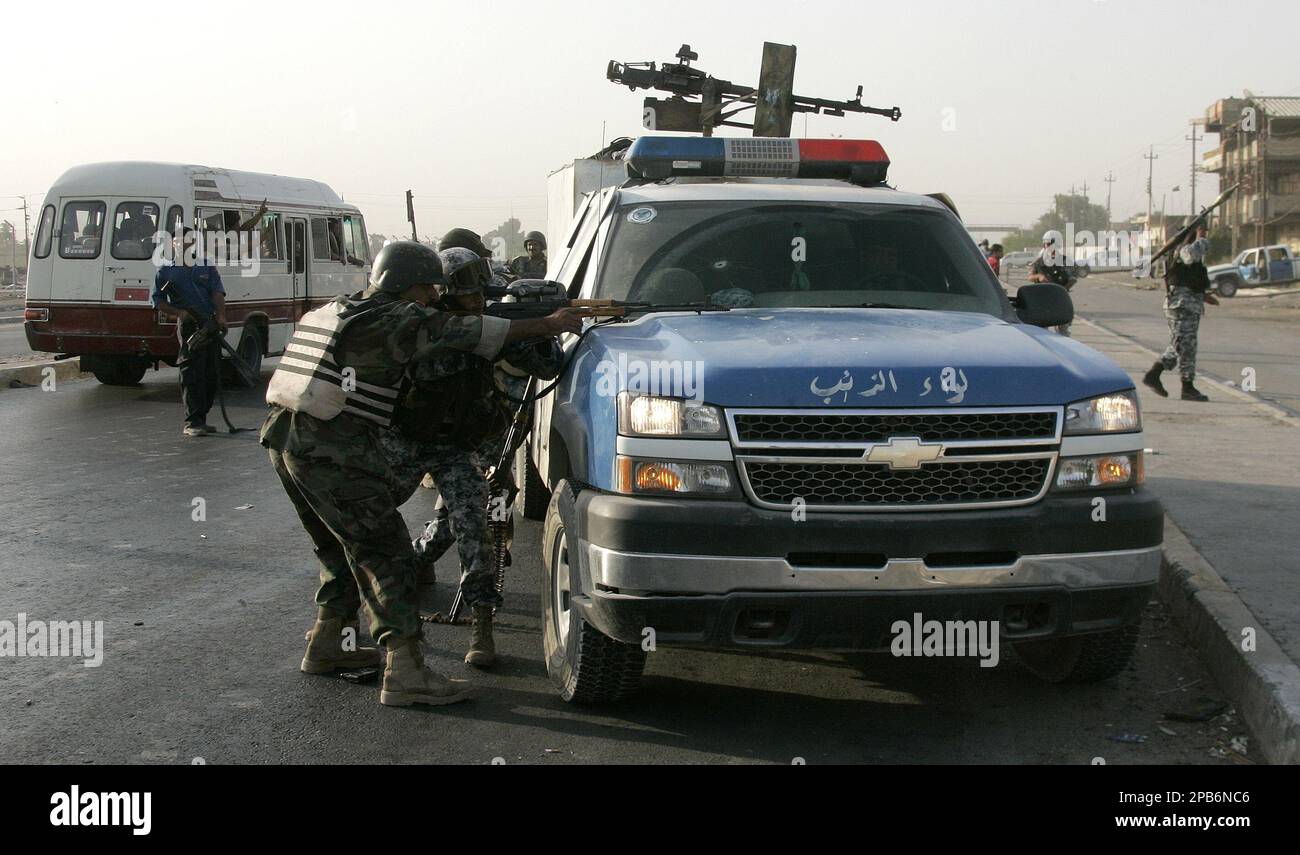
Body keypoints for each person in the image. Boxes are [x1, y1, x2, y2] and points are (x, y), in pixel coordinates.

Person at [260, 241, 582, 707]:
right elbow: (459, 331)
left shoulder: (343, 307)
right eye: (427, 288)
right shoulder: (394, 317)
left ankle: (327, 642)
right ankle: (406, 672)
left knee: (339, 546)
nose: (433, 297)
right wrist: (548, 323)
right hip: (331, 448)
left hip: (287, 440)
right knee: (386, 554)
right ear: (404, 285)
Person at [378, 247, 565, 668]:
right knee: (369, 517)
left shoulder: (490, 324)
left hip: (458, 447)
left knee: (473, 526)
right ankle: (353, 603)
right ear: (442, 293)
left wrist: (540, 329)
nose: (477, 301)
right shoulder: (421, 323)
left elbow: (546, 366)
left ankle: (481, 622)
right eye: (467, 294)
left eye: (481, 293)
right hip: (407, 439)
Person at [152, 228, 227, 436]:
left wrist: (221, 316)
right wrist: (179, 313)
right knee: (191, 372)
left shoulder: (206, 266)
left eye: (189, 241)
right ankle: (192, 422)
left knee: (211, 372)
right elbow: (158, 301)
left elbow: (217, 292)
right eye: (180, 241)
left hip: (208, 324)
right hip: (188, 327)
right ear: (173, 244)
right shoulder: (166, 270)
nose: (184, 245)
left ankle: (202, 417)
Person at [1143, 225, 1215, 401]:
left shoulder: (1182, 251)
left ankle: (1164, 377)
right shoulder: (1183, 249)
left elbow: (1186, 279)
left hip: (1186, 303)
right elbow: (1191, 256)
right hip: (1182, 306)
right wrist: (1201, 238)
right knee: (1184, 345)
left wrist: (1203, 296)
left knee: (1183, 345)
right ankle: (1170, 380)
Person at [1027, 232, 1076, 336]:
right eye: (1046, 244)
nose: (1047, 246)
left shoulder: (1065, 261)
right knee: (1042, 329)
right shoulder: (1039, 261)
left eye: (1050, 243)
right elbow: (1030, 276)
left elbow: (1073, 279)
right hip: (1042, 299)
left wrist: (1062, 289)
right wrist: (1039, 277)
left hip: (1060, 299)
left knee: (1062, 330)